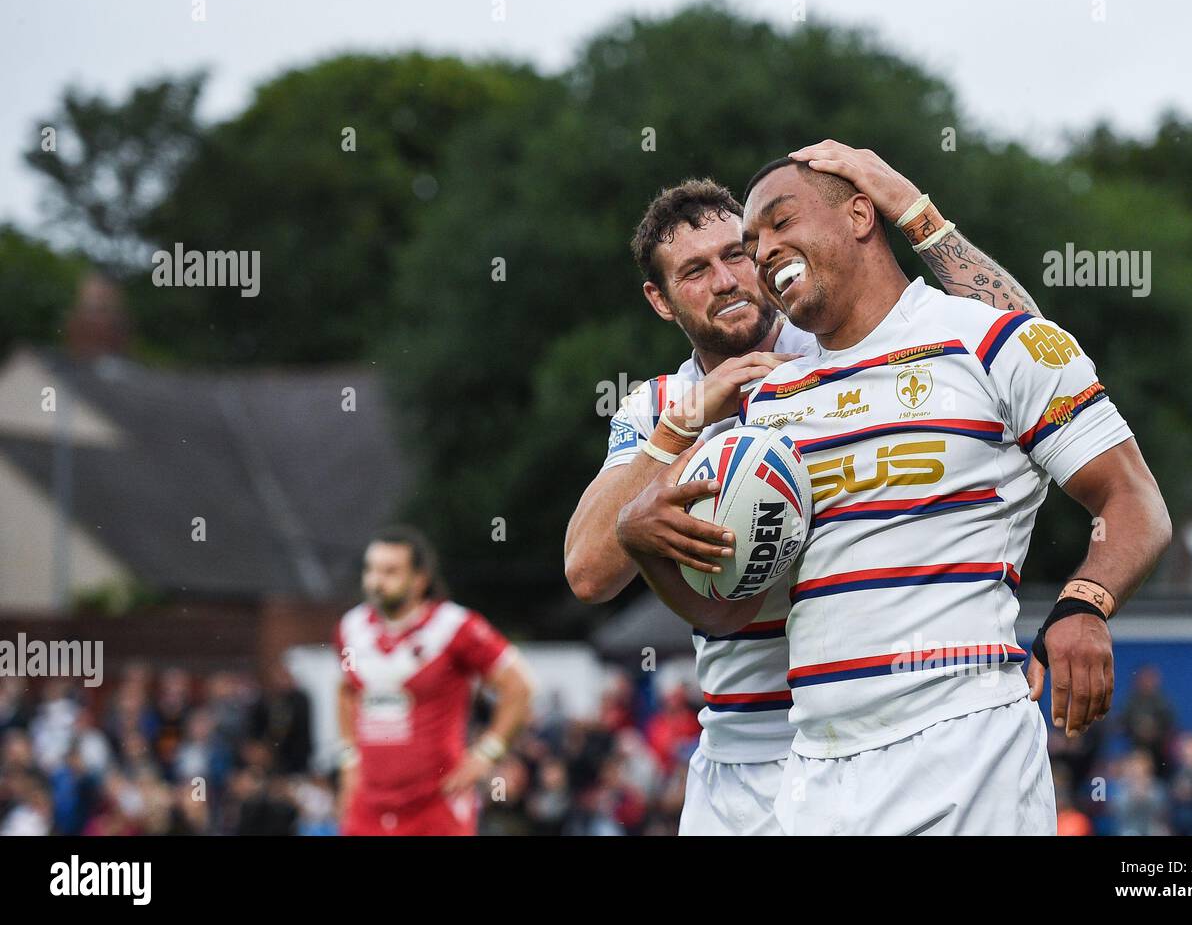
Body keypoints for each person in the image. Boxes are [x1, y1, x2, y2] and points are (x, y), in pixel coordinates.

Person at [622, 142, 1171, 834]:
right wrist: (639, 541)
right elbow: (730, 613)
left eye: (781, 223)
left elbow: (1131, 498)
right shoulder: (767, 400)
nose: (762, 253)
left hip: (967, 748)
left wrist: (1085, 604)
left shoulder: (987, 341)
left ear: (860, 214)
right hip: (816, 769)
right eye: (753, 241)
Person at [566, 142, 1045, 834]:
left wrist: (914, 212)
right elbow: (587, 572)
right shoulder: (658, 407)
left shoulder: (848, 347)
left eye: (738, 253)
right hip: (740, 759)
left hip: (885, 743)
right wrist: (687, 426)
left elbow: (1027, 351)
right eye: (694, 272)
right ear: (660, 301)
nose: (728, 280)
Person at [336, 526, 533, 835]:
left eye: (390, 571)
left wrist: (487, 754)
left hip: (435, 803)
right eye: (371, 570)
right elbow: (347, 691)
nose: (376, 581)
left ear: (420, 579)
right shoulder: (351, 627)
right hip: (370, 805)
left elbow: (518, 686)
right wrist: (349, 759)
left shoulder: (454, 626)